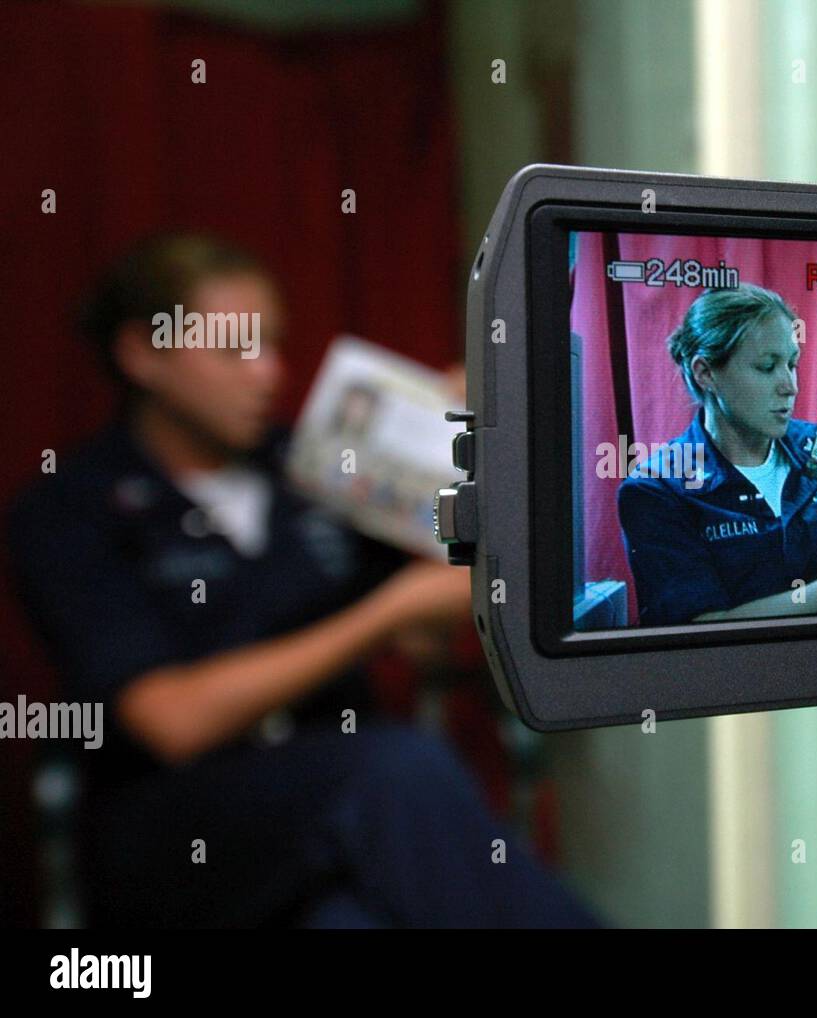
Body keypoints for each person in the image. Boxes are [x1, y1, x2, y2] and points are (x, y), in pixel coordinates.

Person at [7, 232, 596, 928]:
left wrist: (457, 454)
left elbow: (425, 645)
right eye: (235, 350)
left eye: (274, 345)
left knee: (346, 921)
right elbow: (173, 721)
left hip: (331, 824)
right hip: (181, 832)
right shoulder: (73, 507)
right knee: (394, 769)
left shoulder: (314, 467)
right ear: (143, 354)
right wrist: (384, 613)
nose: (269, 374)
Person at [617, 283, 817, 628]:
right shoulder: (655, 490)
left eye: (792, 364)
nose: (790, 385)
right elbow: (705, 630)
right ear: (706, 373)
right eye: (766, 366)